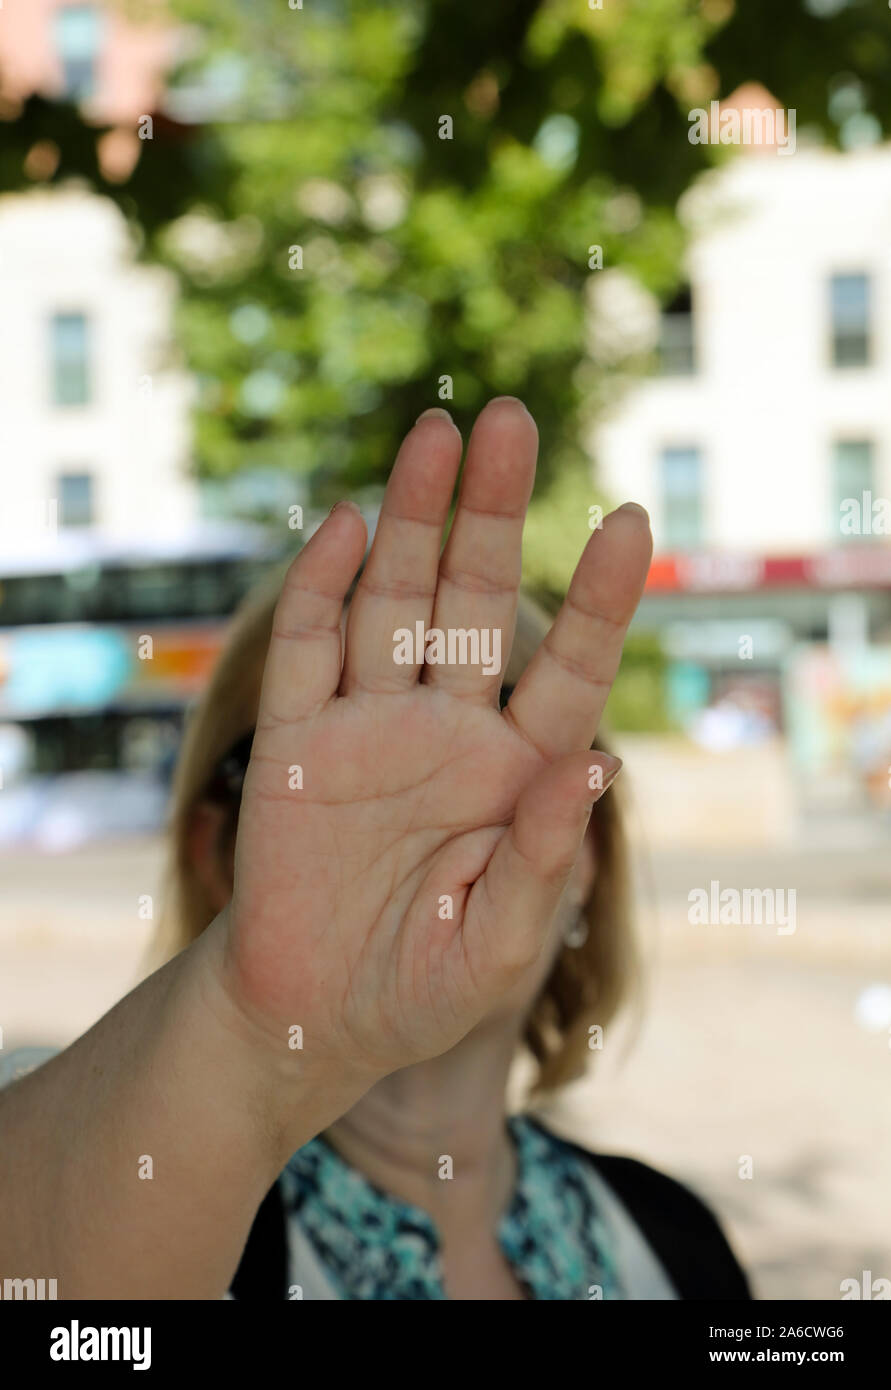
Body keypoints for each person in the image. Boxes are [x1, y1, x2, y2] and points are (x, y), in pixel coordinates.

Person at [0, 397, 749, 1299]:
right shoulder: (173, 1234)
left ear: (591, 859)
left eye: (507, 745)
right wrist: (250, 1030)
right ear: (215, 851)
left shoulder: (679, 1245)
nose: (424, 830)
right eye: (324, 755)